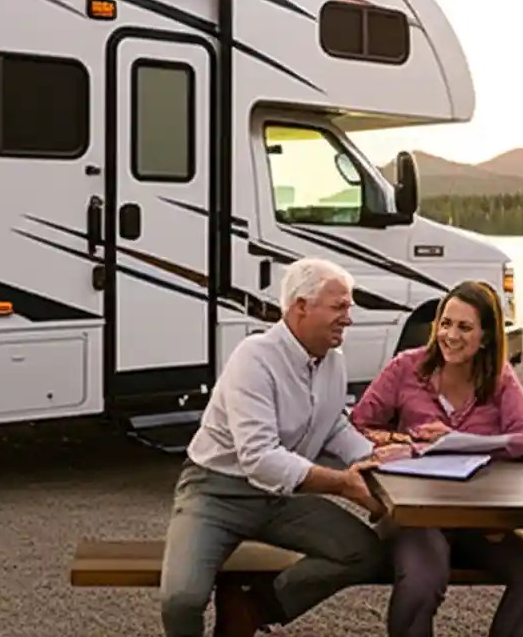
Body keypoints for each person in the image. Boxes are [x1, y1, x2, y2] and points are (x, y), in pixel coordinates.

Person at [159, 257, 413, 636]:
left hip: (281, 498)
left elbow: (331, 427)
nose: (348, 317)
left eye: (349, 307)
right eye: (339, 306)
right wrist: (344, 484)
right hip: (215, 494)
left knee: (365, 553)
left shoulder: (333, 361)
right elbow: (260, 458)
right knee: (181, 599)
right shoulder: (254, 358)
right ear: (300, 307)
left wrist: (371, 459)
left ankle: (253, 608)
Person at [349, 279, 523, 637]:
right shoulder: (405, 368)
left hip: (478, 518)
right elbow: (359, 424)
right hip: (416, 516)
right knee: (424, 578)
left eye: (464, 327)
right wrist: (408, 444)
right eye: (445, 323)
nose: (451, 335)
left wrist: (459, 441)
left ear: (486, 337)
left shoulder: (500, 379)